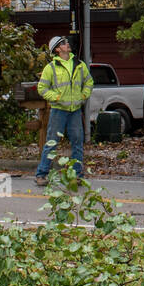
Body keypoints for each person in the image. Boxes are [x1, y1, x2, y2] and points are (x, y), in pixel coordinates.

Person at [34, 36, 92, 186]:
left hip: (74, 110)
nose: (67, 44)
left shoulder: (79, 64)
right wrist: (56, 97)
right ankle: (41, 174)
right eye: (63, 43)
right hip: (59, 111)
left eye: (66, 42)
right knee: (51, 143)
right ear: (58, 49)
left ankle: (77, 175)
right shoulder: (50, 68)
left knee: (77, 143)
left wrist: (84, 95)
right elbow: (42, 88)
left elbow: (89, 82)